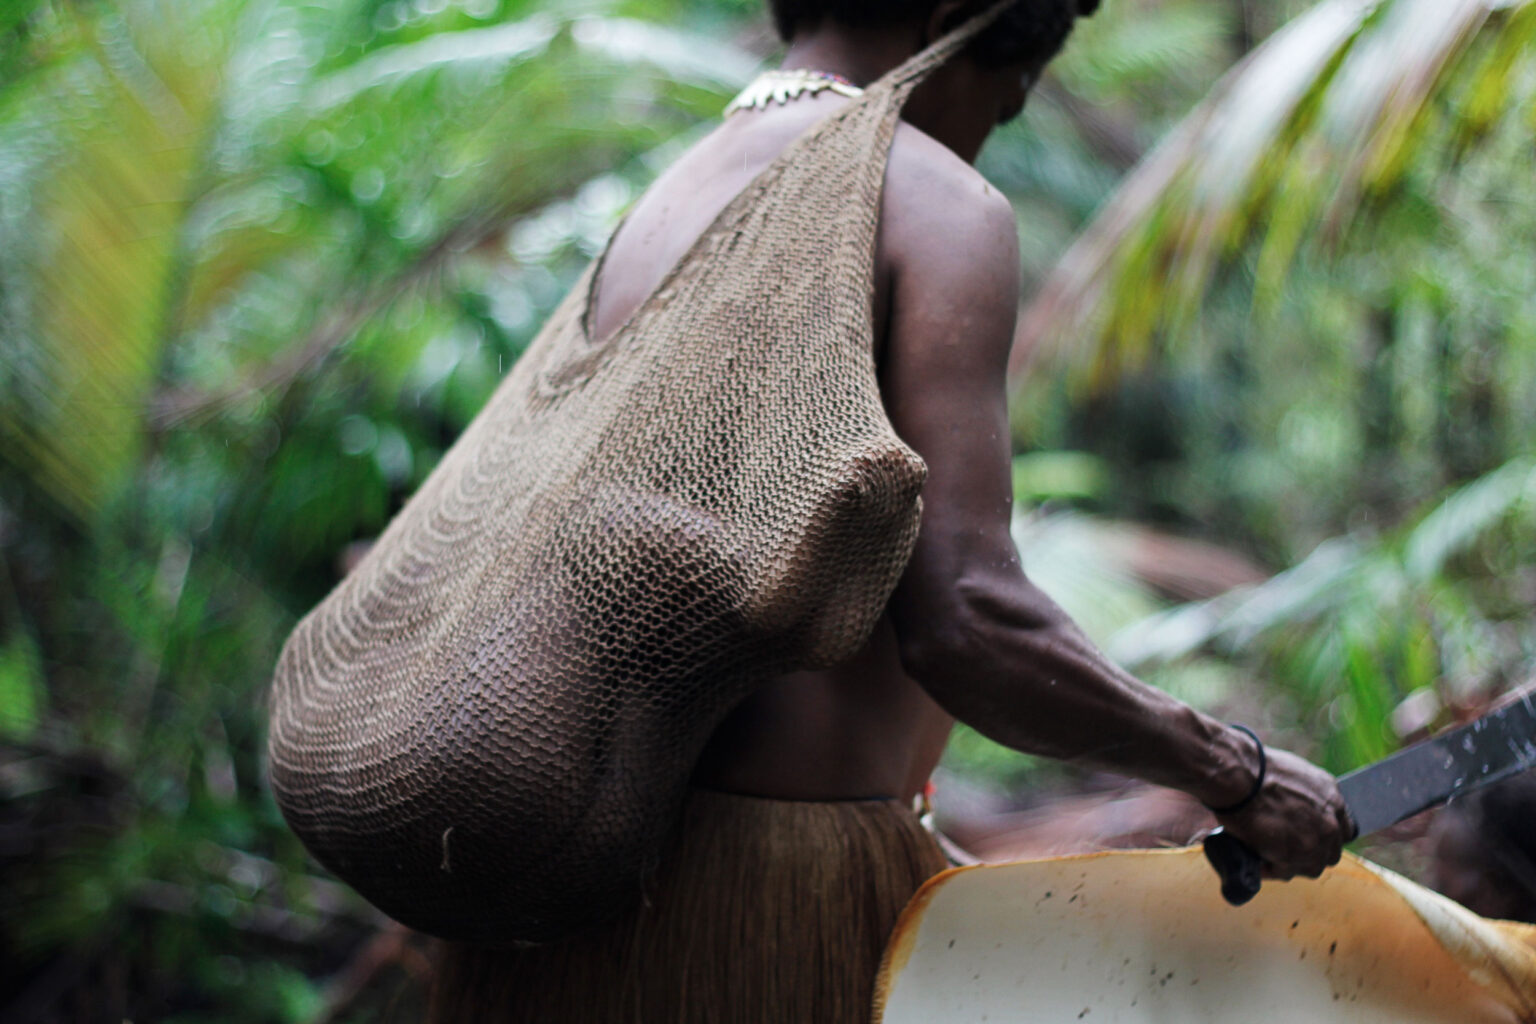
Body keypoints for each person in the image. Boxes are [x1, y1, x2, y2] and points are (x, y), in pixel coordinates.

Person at [428, 1, 1355, 1020]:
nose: (998, 120)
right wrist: (1235, 771)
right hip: (767, 910)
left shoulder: (671, 196)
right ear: (959, 15)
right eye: (1012, 94)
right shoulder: (929, 201)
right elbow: (967, 624)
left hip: (611, 903)